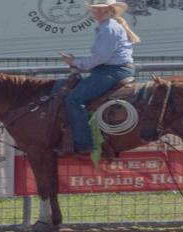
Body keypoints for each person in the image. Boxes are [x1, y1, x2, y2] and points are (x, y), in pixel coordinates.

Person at [59, 2, 138, 155]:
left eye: (102, 8)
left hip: (112, 71)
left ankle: (84, 144)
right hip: (115, 70)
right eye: (96, 8)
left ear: (110, 10)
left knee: (73, 100)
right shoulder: (109, 26)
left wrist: (75, 62)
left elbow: (101, 57)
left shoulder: (108, 28)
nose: (98, 11)